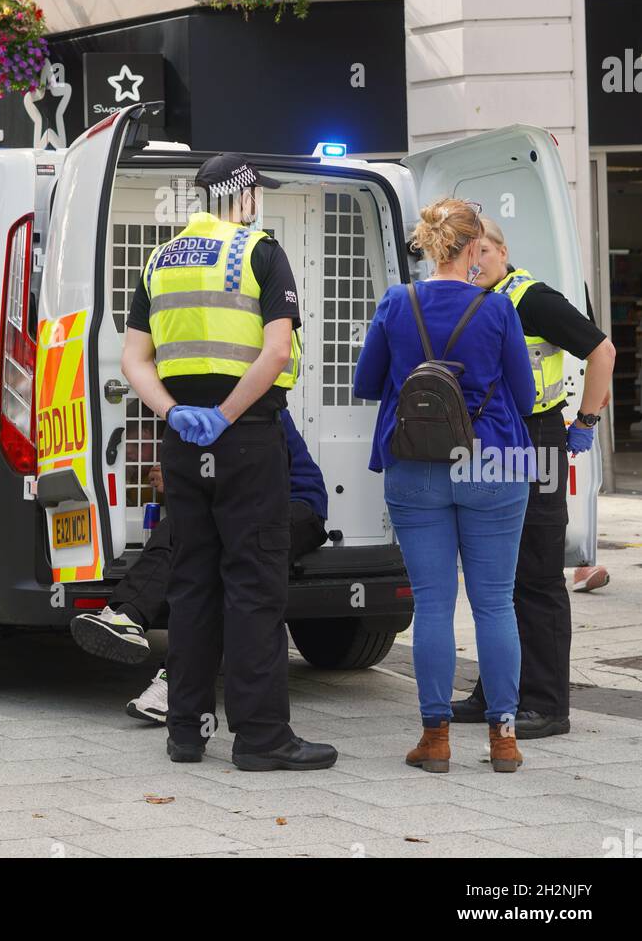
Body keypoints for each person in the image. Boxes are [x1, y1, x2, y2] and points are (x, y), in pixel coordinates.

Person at [120, 153, 337, 772]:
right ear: (242, 197)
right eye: (255, 194)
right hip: (247, 439)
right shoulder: (258, 251)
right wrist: (229, 414)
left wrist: (173, 413)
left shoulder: (160, 260)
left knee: (191, 585)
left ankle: (185, 732)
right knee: (254, 585)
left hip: (183, 443)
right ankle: (262, 737)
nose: (257, 204)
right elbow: (275, 353)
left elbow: (135, 359)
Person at [353, 197, 535, 775]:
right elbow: (526, 398)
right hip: (493, 463)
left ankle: (435, 739)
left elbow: (366, 384)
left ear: (432, 244)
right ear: (474, 246)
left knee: (433, 603)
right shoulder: (498, 306)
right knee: (495, 602)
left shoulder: (395, 302)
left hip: (415, 465)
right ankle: (503, 738)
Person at [452, 216, 616, 738]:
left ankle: (547, 704)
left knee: (539, 574)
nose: (473, 260)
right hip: (492, 440)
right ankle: (496, 689)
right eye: (465, 251)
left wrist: (587, 421)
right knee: (494, 575)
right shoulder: (471, 296)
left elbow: (602, 351)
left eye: (481, 250)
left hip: (537, 437)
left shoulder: (532, 297)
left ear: (502, 250)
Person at [69, 409, 329, 725]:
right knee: (180, 529)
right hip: (240, 506)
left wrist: (182, 478)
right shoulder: (192, 406)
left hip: (295, 506)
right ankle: (126, 616)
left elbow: (255, 475)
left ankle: (173, 684)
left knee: (226, 563)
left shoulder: (251, 400)